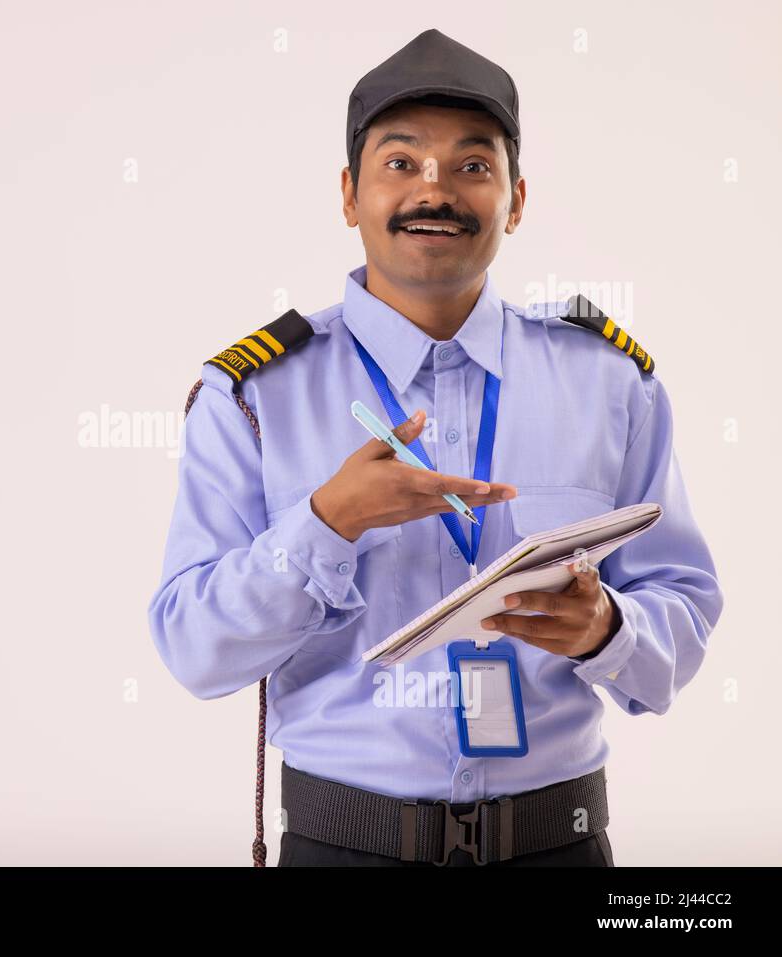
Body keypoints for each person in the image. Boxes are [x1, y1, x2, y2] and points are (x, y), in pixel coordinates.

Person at [146, 28, 724, 867]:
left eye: (472, 167)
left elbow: (684, 603)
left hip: (557, 845)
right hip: (345, 845)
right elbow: (195, 651)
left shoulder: (610, 384)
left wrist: (608, 626)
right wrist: (323, 524)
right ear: (349, 195)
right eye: (401, 163)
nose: (436, 191)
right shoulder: (254, 398)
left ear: (516, 200)